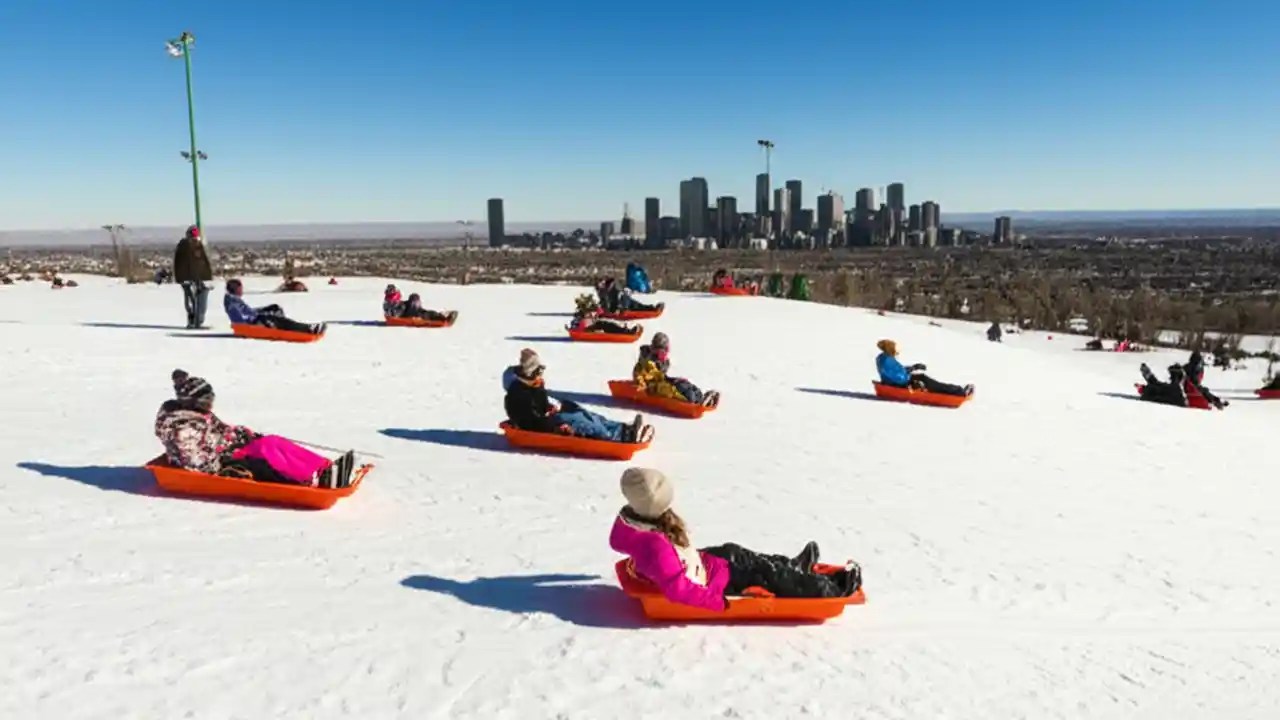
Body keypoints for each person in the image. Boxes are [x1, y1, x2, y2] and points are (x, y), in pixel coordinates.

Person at [609, 467, 861, 611]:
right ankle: (830, 589)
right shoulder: (656, 547)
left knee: (735, 551)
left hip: (704, 565)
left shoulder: (635, 520)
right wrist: (720, 602)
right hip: (713, 585)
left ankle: (791, 567)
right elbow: (678, 590)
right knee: (763, 574)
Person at [155, 370, 355, 487]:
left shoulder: (196, 414)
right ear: (193, 401)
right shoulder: (183, 428)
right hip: (216, 463)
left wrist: (239, 434)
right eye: (207, 400)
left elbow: (219, 430)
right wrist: (226, 462)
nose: (211, 404)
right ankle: (310, 479)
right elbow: (195, 464)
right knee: (264, 452)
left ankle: (323, 467)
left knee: (272, 440)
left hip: (224, 450)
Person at [504, 349, 653, 443]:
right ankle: (618, 437)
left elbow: (541, 406)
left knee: (581, 411)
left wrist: (551, 407)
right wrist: (556, 425)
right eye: (538, 371)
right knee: (578, 420)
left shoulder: (535, 385)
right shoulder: (518, 396)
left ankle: (623, 429)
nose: (541, 375)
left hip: (547, 419)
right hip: (541, 427)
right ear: (529, 374)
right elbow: (530, 421)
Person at [633, 332, 719, 407]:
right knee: (672, 390)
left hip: (662, 381)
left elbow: (661, 374)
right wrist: (641, 384)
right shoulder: (645, 361)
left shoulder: (660, 361)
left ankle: (700, 396)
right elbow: (638, 374)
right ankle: (692, 400)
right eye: (663, 351)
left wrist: (668, 373)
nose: (665, 353)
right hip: (652, 387)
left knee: (682, 383)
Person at [223, 279, 325, 335]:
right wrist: (261, 316)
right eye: (241, 288)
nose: (242, 291)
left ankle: (282, 325)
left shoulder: (233, 299)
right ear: (235, 289)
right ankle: (307, 329)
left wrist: (263, 311)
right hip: (253, 323)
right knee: (277, 319)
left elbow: (247, 311)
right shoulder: (232, 302)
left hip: (254, 319)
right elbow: (242, 318)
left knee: (274, 308)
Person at [875, 339, 973, 397]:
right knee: (929, 383)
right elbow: (896, 377)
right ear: (890, 349)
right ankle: (958, 392)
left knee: (926, 380)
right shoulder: (885, 360)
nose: (897, 351)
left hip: (902, 381)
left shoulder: (885, 358)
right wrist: (910, 382)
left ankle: (956, 390)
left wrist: (913, 367)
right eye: (894, 349)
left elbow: (898, 370)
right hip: (899, 384)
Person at [1138, 363, 1227, 409]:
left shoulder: (1195, 387)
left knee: (1162, 390)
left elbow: (1208, 395)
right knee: (1162, 389)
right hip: (1180, 398)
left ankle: (1150, 381)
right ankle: (1150, 382)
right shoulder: (1190, 385)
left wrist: (1217, 401)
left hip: (1183, 399)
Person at [173, 225, 213, 329]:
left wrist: (207, 277)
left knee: (199, 299)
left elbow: (204, 263)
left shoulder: (199, 245)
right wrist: (181, 278)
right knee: (191, 300)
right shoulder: (184, 246)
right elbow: (180, 263)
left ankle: (197, 320)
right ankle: (193, 321)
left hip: (197, 277)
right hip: (187, 277)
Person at [568, 307, 636, 335]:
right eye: (586, 314)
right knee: (607, 326)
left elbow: (598, 312)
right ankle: (625, 331)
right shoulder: (579, 321)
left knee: (609, 324)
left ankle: (624, 330)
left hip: (595, 325)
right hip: (592, 328)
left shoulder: (586, 319)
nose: (588, 314)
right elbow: (578, 330)